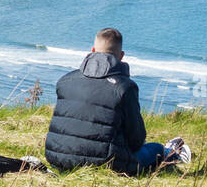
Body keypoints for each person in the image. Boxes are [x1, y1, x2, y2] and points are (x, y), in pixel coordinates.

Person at [44, 28, 188, 175]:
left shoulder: (65, 80)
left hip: (58, 158)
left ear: (92, 50)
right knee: (156, 149)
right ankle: (173, 153)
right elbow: (136, 140)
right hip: (107, 163)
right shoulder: (124, 87)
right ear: (121, 56)